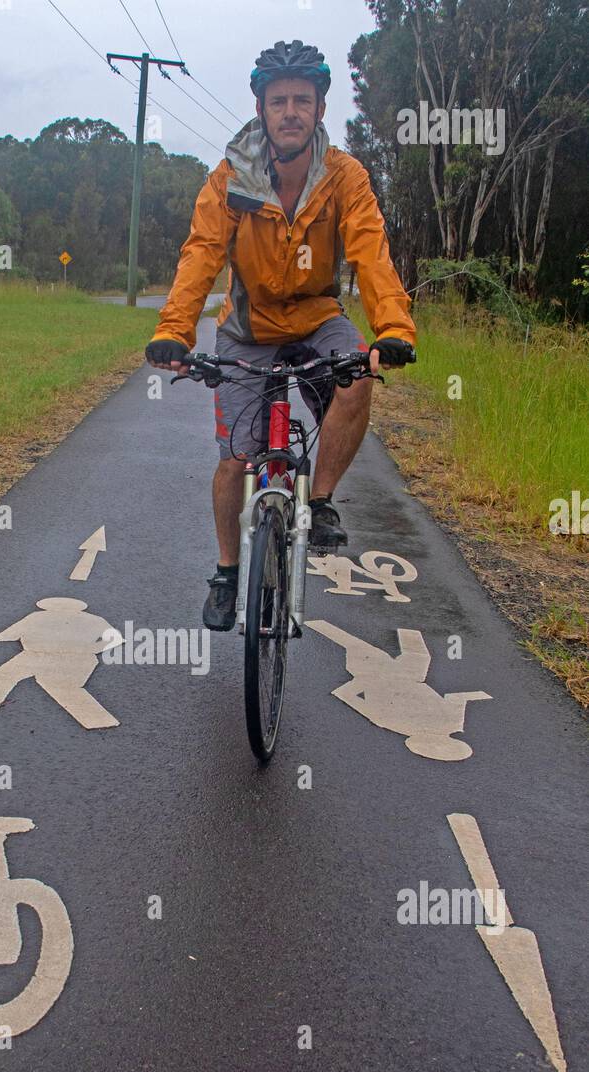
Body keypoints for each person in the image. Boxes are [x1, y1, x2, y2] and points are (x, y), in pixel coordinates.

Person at [145, 40, 417, 631]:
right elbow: (200, 256)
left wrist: (392, 329)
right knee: (233, 461)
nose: (290, 111)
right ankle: (225, 572)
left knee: (358, 377)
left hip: (318, 316)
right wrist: (174, 331)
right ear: (262, 111)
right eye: (278, 102)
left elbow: (371, 254)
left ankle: (319, 501)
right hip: (248, 326)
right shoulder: (230, 179)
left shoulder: (345, 177)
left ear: (319, 109)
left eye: (301, 100)